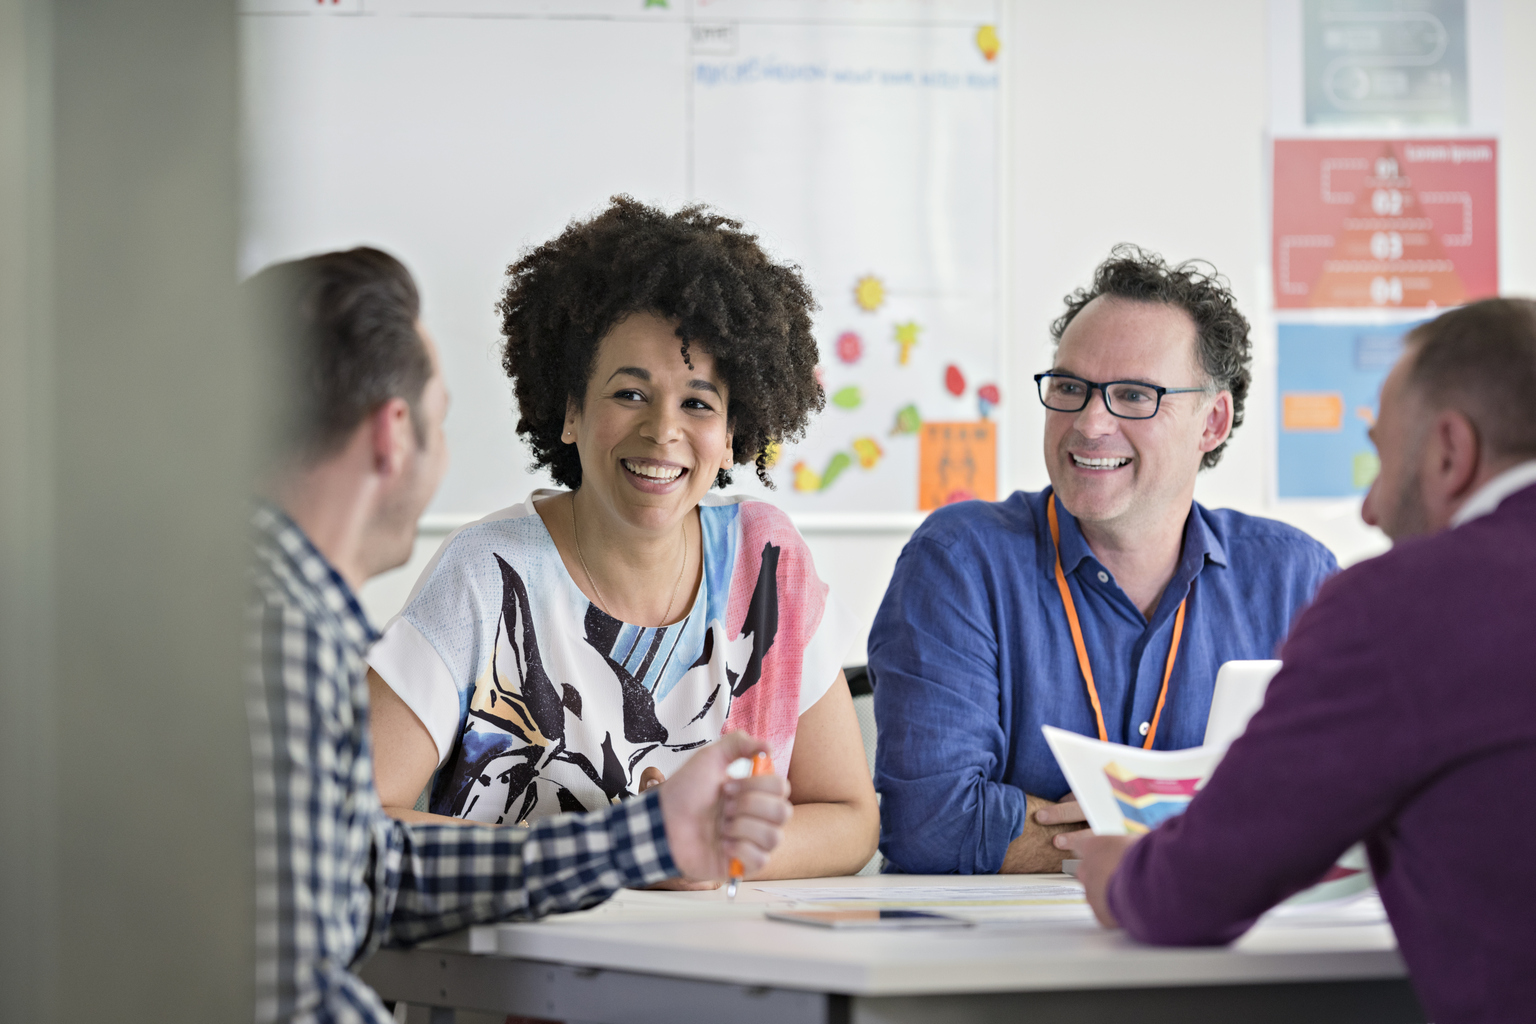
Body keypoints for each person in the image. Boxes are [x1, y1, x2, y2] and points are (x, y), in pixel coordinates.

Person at [247, 246, 794, 1024]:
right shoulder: (285, 637)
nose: (663, 430)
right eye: (443, 422)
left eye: (699, 403)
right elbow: (295, 989)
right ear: (392, 436)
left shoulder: (265, 608)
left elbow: (376, 868)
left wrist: (647, 841)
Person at [365, 197, 880, 884]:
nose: (664, 430)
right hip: (517, 980)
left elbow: (850, 817)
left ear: (732, 437)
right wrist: (636, 849)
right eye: (630, 394)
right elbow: (357, 824)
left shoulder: (766, 561)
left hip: (732, 975)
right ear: (571, 412)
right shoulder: (486, 575)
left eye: (698, 403)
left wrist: (705, 858)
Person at [1065, 297, 1536, 1024]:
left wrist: (1124, 871)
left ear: (1449, 452)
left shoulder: (1402, 604)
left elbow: (1196, 891)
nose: (1373, 510)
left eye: (1384, 457)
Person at [868, 245, 1337, 875]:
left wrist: (1107, 836)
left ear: (1212, 422)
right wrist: (1196, 838)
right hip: (1012, 963)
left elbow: (1345, 807)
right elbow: (928, 823)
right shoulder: (960, 561)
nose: (1089, 423)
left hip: (1232, 956)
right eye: (1069, 387)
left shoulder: (1294, 579)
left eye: (1135, 396)